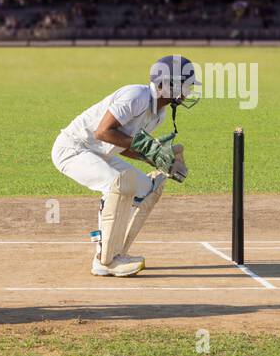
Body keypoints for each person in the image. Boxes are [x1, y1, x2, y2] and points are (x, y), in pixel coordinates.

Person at [51, 56, 195, 276]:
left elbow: (123, 144)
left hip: (100, 152)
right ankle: (104, 260)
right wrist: (149, 148)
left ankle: (117, 251)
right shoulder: (137, 96)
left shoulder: (159, 114)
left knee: (147, 188)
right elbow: (103, 132)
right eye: (185, 85)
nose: (188, 91)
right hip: (73, 149)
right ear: (167, 83)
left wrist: (155, 159)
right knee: (116, 185)